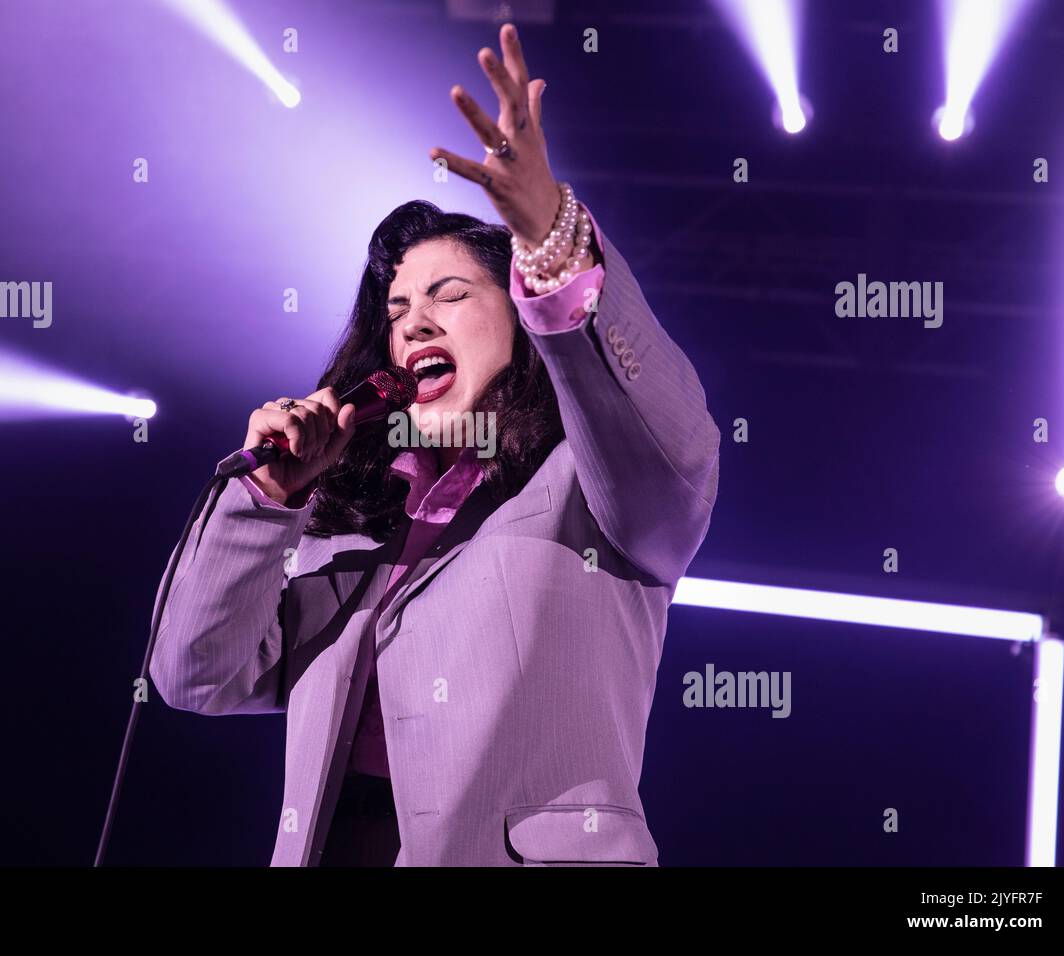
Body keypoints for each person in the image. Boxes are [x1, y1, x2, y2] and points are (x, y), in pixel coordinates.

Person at [149, 23, 719, 866]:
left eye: (449, 295)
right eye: (395, 311)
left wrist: (551, 241)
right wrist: (269, 499)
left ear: (521, 320)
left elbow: (673, 440)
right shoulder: (349, 522)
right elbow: (195, 674)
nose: (412, 320)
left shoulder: (594, 491)